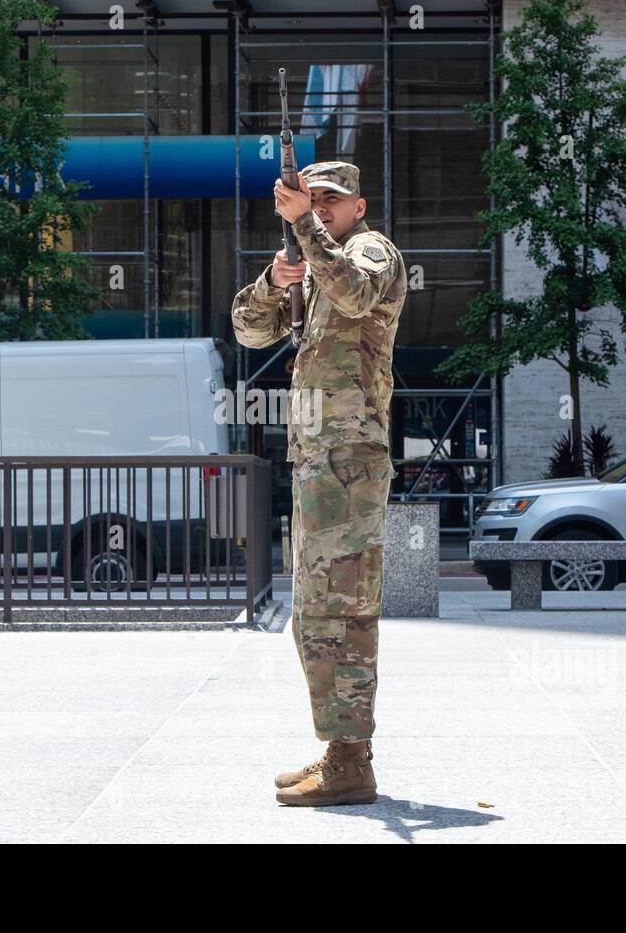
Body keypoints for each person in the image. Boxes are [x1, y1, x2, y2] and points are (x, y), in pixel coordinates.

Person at [231, 160, 407, 806]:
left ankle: (352, 759)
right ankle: (339, 746)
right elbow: (248, 332)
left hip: (351, 461)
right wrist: (274, 283)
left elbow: (356, 293)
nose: (323, 208)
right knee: (314, 611)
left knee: (345, 609)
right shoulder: (312, 260)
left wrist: (304, 227)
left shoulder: (369, 252)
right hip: (317, 462)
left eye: (333, 200)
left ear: (358, 206)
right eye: (314, 199)